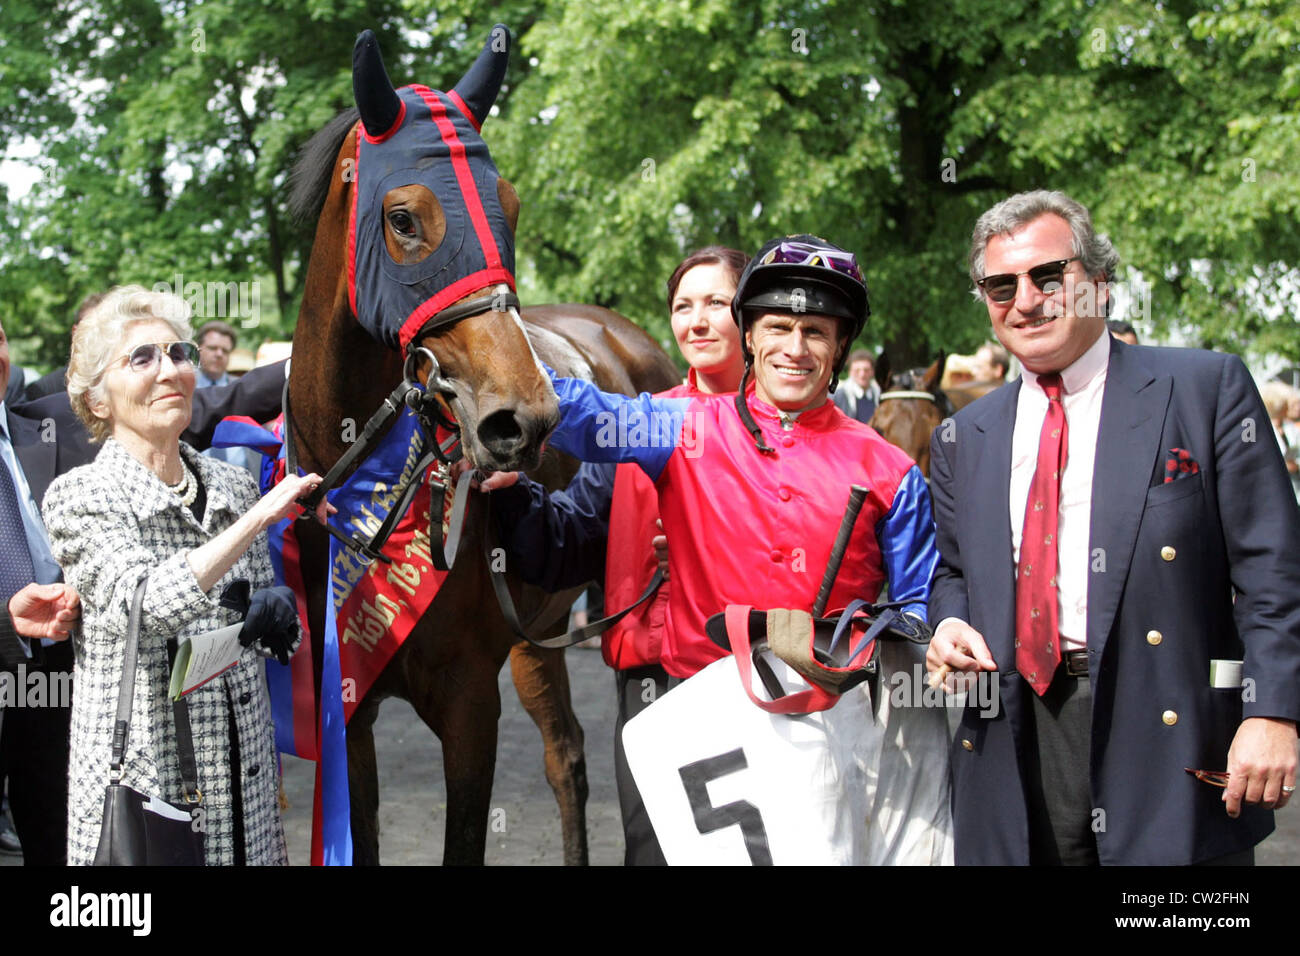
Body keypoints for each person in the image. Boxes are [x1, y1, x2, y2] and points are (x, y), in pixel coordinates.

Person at [532, 235, 952, 863]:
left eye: (816, 331)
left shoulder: (892, 470)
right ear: (750, 336)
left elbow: (921, 608)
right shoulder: (677, 427)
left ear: (840, 346)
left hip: (833, 732)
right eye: (778, 326)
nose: (795, 347)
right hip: (701, 721)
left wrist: (931, 635)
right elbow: (583, 414)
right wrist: (480, 352)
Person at [926, 189, 1300, 865]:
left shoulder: (1204, 388)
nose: (1026, 300)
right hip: (1013, 735)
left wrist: (1270, 712)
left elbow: (1274, 572)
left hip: (1165, 725)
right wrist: (949, 623)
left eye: (1049, 277)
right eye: (1000, 285)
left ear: (1098, 283)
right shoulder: (964, 436)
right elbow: (953, 571)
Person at [41, 286, 326, 866]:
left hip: (246, 795)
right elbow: (143, 604)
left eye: (178, 353)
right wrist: (259, 519)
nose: (169, 369)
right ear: (98, 400)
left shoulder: (234, 486)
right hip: (150, 796)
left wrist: (276, 620)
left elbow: (272, 642)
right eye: (141, 357)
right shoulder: (79, 496)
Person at [490, 246, 747, 865]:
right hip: (652, 680)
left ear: (754, 314)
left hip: (756, 677)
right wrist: (513, 498)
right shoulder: (642, 425)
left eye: (716, 303)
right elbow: (567, 540)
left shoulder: (795, 430)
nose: (698, 321)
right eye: (684, 306)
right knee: (652, 849)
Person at [832, 348, 880, 422]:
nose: (862, 375)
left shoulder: (879, 396)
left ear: (873, 372)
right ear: (850, 372)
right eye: (857, 370)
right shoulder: (837, 397)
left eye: (866, 370)